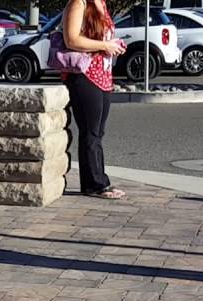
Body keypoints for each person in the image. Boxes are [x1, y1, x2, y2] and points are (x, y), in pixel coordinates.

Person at [62, 0, 126, 200]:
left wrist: (114, 45)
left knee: (98, 132)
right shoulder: (78, 3)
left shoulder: (102, 4)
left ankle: (98, 181)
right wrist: (105, 45)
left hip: (103, 76)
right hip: (84, 75)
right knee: (90, 132)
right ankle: (95, 185)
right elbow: (71, 40)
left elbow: (100, 37)